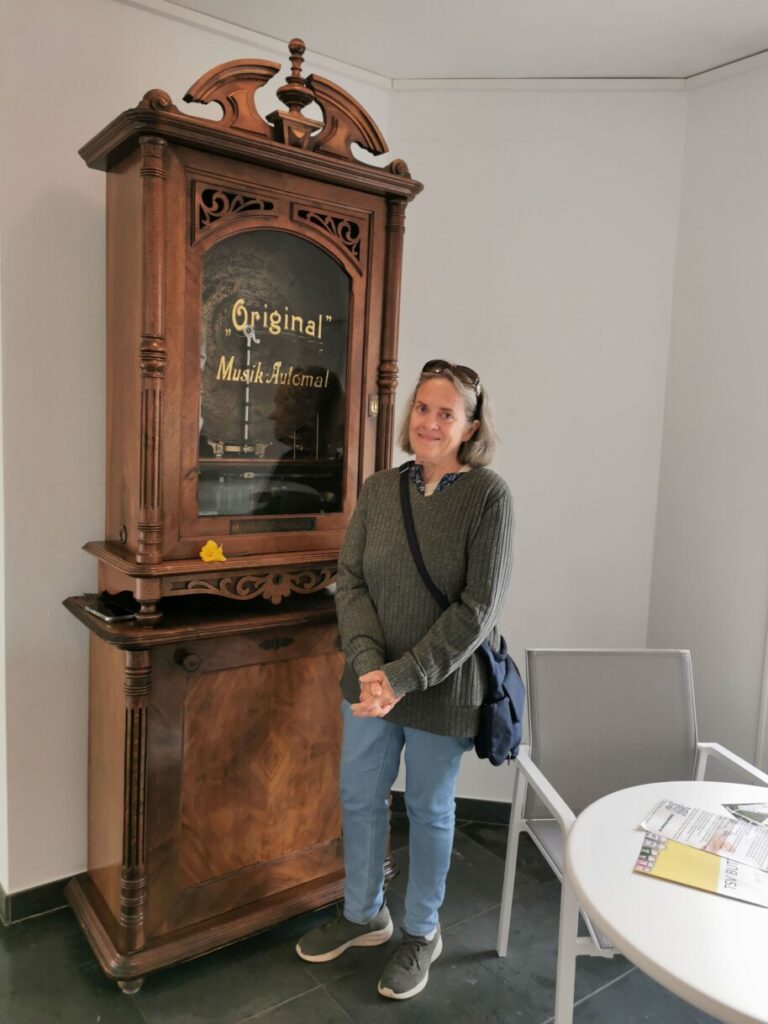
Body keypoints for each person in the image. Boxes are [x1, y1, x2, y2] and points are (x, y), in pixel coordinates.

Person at [295, 359, 514, 1000]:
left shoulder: (489, 497)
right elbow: (352, 577)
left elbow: (479, 607)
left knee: (428, 807)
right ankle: (364, 916)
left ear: (471, 426)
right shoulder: (379, 490)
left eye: (446, 412)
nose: (430, 422)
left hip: (441, 687)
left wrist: (405, 674)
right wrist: (369, 667)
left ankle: (422, 931)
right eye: (423, 408)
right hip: (371, 685)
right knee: (360, 795)